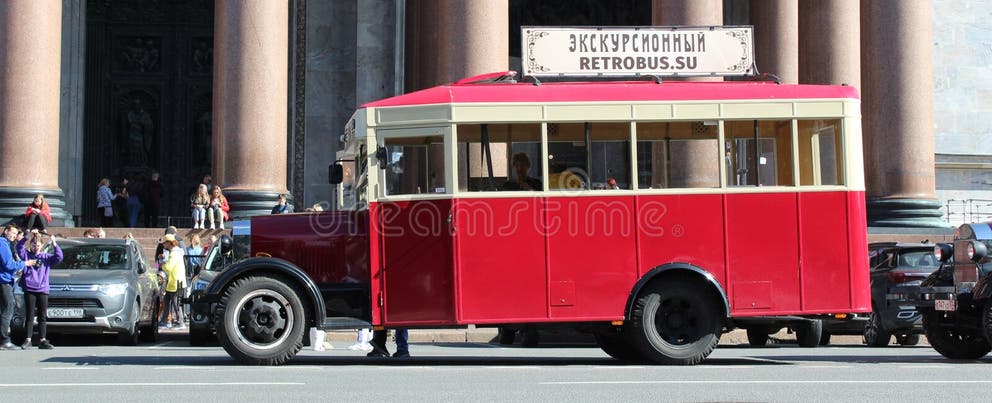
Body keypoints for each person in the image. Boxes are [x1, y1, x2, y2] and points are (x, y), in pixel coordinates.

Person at [15, 230, 63, 349]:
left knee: (42, 315)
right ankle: (28, 339)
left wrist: (54, 244)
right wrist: (28, 236)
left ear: (41, 246)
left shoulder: (46, 257)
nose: (35, 247)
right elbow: (19, 247)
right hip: (29, 288)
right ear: (30, 245)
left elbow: (59, 257)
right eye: (33, 245)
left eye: (37, 245)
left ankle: (42, 339)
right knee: (30, 315)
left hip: (42, 289)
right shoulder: (26, 255)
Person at [1, 224, 38, 350]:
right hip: (3, 281)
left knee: (4, 309)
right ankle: (4, 340)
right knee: (8, 309)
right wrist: (24, 263)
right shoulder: (3, 243)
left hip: (5, 280)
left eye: (16, 234)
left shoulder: (6, 244)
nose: (14, 235)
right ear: (6, 231)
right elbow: (9, 264)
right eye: (13, 233)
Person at [157, 233, 187, 330]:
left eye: (164, 243)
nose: (163, 245)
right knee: (167, 301)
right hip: (173, 282)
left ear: (169, 243)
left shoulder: (174, 253)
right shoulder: (174, 252)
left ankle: (181, 323)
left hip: (176, 282)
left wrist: (162, 264)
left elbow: (169, 267)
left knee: (176, 303)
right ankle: (165, 321)